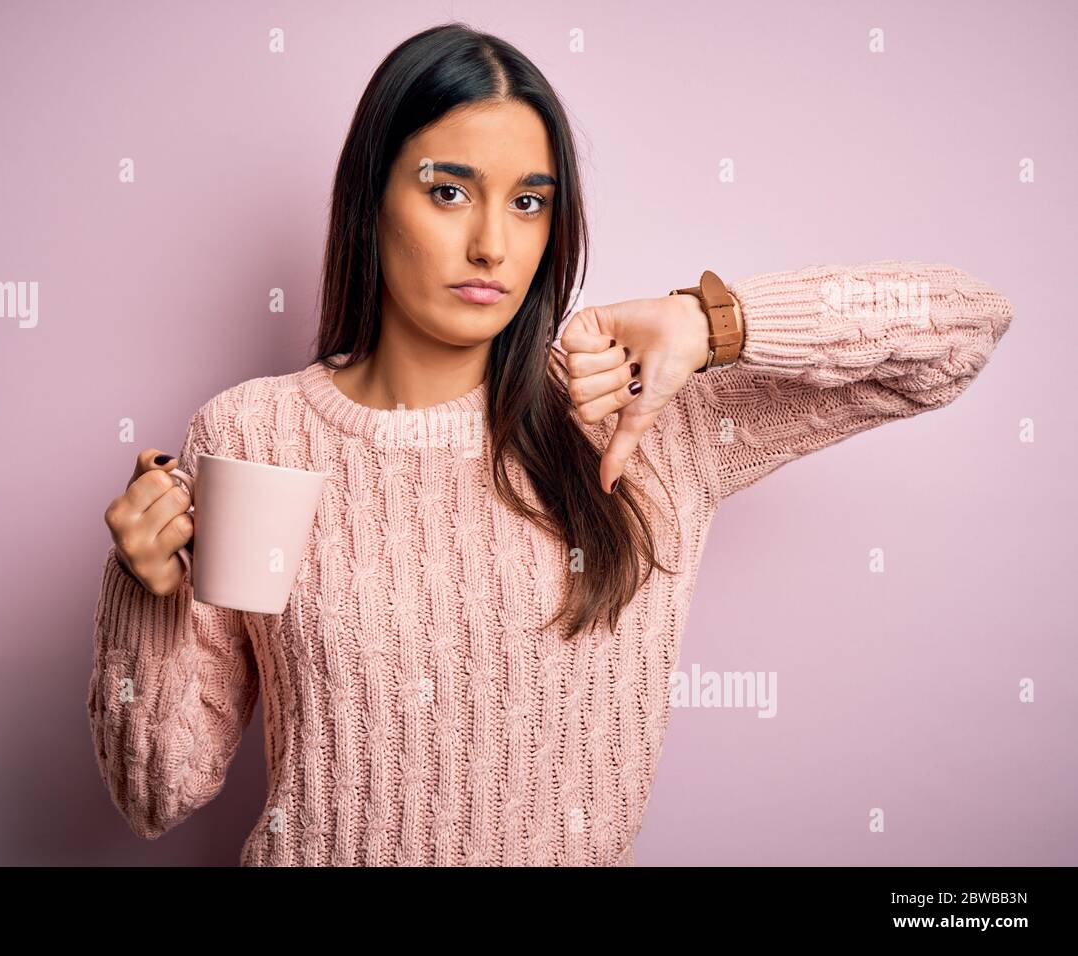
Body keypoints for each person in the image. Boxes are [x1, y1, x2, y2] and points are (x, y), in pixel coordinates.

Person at [87, 23, 1013, 866]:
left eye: (528, 202)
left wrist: (713, 323)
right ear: (371, 201)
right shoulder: (255, 435)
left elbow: (962, 331)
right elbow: (158, 794)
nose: (492, 243)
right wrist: (146, 593)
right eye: (448, 191)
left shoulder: (636, 411)